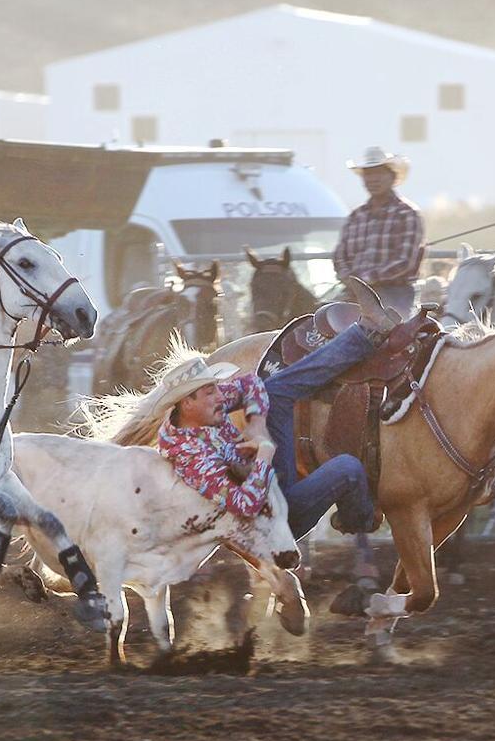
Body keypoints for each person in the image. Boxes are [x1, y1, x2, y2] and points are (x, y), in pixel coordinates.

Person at [112, 277, 398, 543]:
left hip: (276, 480)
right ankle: (359, 517)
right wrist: (262, 457)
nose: (219, 395)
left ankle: (364, 336)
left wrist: (258, 423)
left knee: (275, 388)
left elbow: (251, 385)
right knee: (348, 466)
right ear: (188, 402)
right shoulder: (190, 457)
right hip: (271, 516)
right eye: (210, 390)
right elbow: (246, 505)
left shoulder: (206, 406)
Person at [333, 146, 426, 318]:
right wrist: (350, 279)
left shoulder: (407, 214)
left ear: (392, 177)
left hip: (395, 294)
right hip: (354, 294)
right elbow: (340, 256)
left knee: (393, 336)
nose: (373, 179)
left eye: (378, 173)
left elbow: (404, 261)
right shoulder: (356, 216)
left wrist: (367, 279)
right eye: (368, 174)